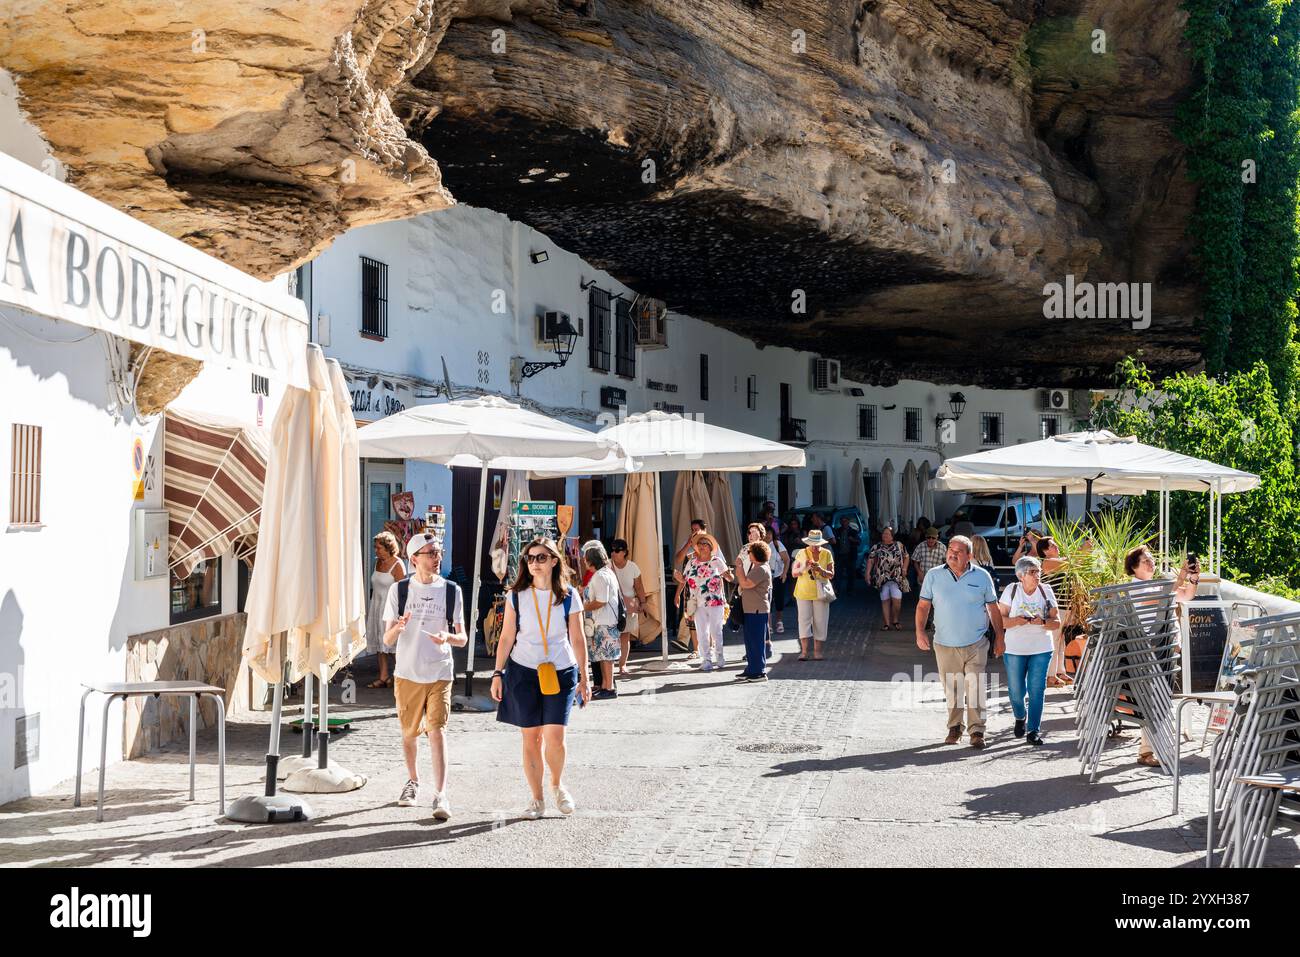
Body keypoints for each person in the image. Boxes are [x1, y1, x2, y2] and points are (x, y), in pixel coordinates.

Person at [491, 537, 590, 818]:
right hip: (523, 670)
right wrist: (498, 672)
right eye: (530, 558)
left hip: (560, 669)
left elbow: (578, 638)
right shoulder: (516, 595)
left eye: (541, 558)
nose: (534, 563)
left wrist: (585, 677)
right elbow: (507, 636)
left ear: (554, 561)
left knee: (555, 736)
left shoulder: (569, 595)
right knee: (530, 738)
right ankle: (537, 799)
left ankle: (558, 785)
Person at [382, 533, 465, 820]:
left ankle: (441, 794)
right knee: (408, 733)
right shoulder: (399, 591)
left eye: (438, 552)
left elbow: (463, 638)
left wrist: (448, 637)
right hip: (407, 672)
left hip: (440, 671)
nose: (437, 557)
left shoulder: (452, 590)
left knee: (437, 731)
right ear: (414, 558)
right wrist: (399, 627)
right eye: (430, 553)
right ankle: (413, 781)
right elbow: (388, 639)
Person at [914, 535, 1005, 749]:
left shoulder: (982, 576)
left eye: (958, 552)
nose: (952, 554)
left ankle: (977, 730)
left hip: (976, 642)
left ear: (970, 556)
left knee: (975, 686)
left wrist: (1000, 636)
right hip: (945, 643)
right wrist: (919, 632)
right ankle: (955, 727)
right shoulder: (934, 575)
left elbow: (993, 608)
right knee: (953, 688)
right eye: (950, 550)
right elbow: (923, 606)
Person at [1125, 545, 1199, 768]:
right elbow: (1163, 599)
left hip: (1164, 651)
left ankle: (1148, 750)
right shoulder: (1135, 588)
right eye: (1146, 560)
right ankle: (1148, 751)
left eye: (1151, 559)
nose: (1151, 563)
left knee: (1161, 701)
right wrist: (1183, 575)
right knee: (1155, 701)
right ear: (1134, 567)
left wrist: (1193, 578)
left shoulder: (1157, 585)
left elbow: (1186, 596)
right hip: (1149, 652)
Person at [998, 556, 1059, 746]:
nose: (1038, 575)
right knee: (1016, 690)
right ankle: (1020, 715)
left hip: (1041, 647)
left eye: (1039, 571)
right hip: (1015, 647)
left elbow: (1056, 623)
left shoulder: (1046, 590)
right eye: (1033, 572)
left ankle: (1033, 730)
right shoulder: (1012, 590)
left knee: (1037, 690)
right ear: (1021, 575)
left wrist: (1041, 622)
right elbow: (999, 620)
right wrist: (1017, 620)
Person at [674, 533, 733, 671]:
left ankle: (719, 656)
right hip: (697, 603)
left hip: (715, 602)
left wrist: (729, 574)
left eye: (705, 544)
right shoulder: (692, 562)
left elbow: (729, 578)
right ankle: (706, 659)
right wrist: (679, 578)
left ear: (711, 547)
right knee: (701, 632)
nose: (702, 547)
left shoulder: (717, 561)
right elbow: (685, 579)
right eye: (700, 544)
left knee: (716, 631)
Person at [581, 540, 622, 700]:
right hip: (606, 620)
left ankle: (608, 687)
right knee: (605, 656)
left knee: (606, 656)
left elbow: (601, 601)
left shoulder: (600, 576)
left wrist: (583, 607)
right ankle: (606, 685)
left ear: (591, 560)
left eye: (586, 559)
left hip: (604, 621)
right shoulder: (607, 572)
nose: (584, 562)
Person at [366, 530, 405, 688]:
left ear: (388, 548)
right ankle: (384, 677)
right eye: (375, 547)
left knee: (394, 646)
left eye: (379, 548)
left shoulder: (397, 564)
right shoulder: (377, 563)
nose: (376, 550)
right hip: (376, 606)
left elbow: (403, 591)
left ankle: (403, 676)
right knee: (379, 642)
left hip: (390, 609)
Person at [791, 528, 836, 661]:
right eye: (812, 544)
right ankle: (804, 652)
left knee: (820, 621)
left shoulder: (827, 553)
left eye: (817, 545)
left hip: (821, 592)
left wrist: (820, 569)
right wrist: (805, 567)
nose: (815, 547)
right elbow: (794, 573)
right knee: (803, 621)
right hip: (803, 591)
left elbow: (831, 574)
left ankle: (817, 652)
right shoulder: (801, 553)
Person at [734, 540, 773, 681]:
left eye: (750, 552)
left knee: (756, 642)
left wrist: (739, 570)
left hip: (757, 610)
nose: (748, 554)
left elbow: (745, 583)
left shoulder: (761, 568)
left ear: (756, 554)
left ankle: (759, 671)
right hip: (751, 609)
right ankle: (751, 669)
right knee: (750, 642)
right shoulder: (757, 567)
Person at [609, 539, 646, 679]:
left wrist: (643, 603)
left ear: (624, 552)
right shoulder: (607, 565)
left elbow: (639, 587)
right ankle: (610, 665)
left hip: (627, 606)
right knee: (611, 636)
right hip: (611, 606)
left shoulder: (633, 567)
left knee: (625, 636)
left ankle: (622, 664)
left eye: (617, 550)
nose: (613, 553)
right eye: (612, 550)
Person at [865, 526, 909, 630]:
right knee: (885, 600)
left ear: (892, 536)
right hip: (882, 577)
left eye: (887, 534)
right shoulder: (877, 547)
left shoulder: (899, 545)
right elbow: (870, 560)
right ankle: (886, 624)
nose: (884, 535)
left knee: (896, 601)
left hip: (896, 577)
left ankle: (896, 620)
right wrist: (867, 573)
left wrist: (904, 568)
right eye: (883, 533)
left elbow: (906, 556)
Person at [764, 525, 790, 638]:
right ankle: (768, 624)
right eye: (765, 533)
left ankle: (779, 621)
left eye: (769, 533)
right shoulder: (760, 545)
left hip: (778, 576)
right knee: (767, 601)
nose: (767, 535)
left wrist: (784, 573)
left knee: (779, 600)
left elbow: (787, 559)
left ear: (772, 534)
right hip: (764, 578)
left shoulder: (777, 544)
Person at [834, 515, 862, 594]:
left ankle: (850, 590)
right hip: (840, 555)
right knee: (838, 573)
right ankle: (837, 590)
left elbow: (859, 541)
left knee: (851, 574)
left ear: (848, 522)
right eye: (842, 521)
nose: (844, 523)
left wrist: (853, 540)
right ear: (840, 522)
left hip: (850, 555)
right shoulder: (838, 531)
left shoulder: (853, 531)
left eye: (845, 521)